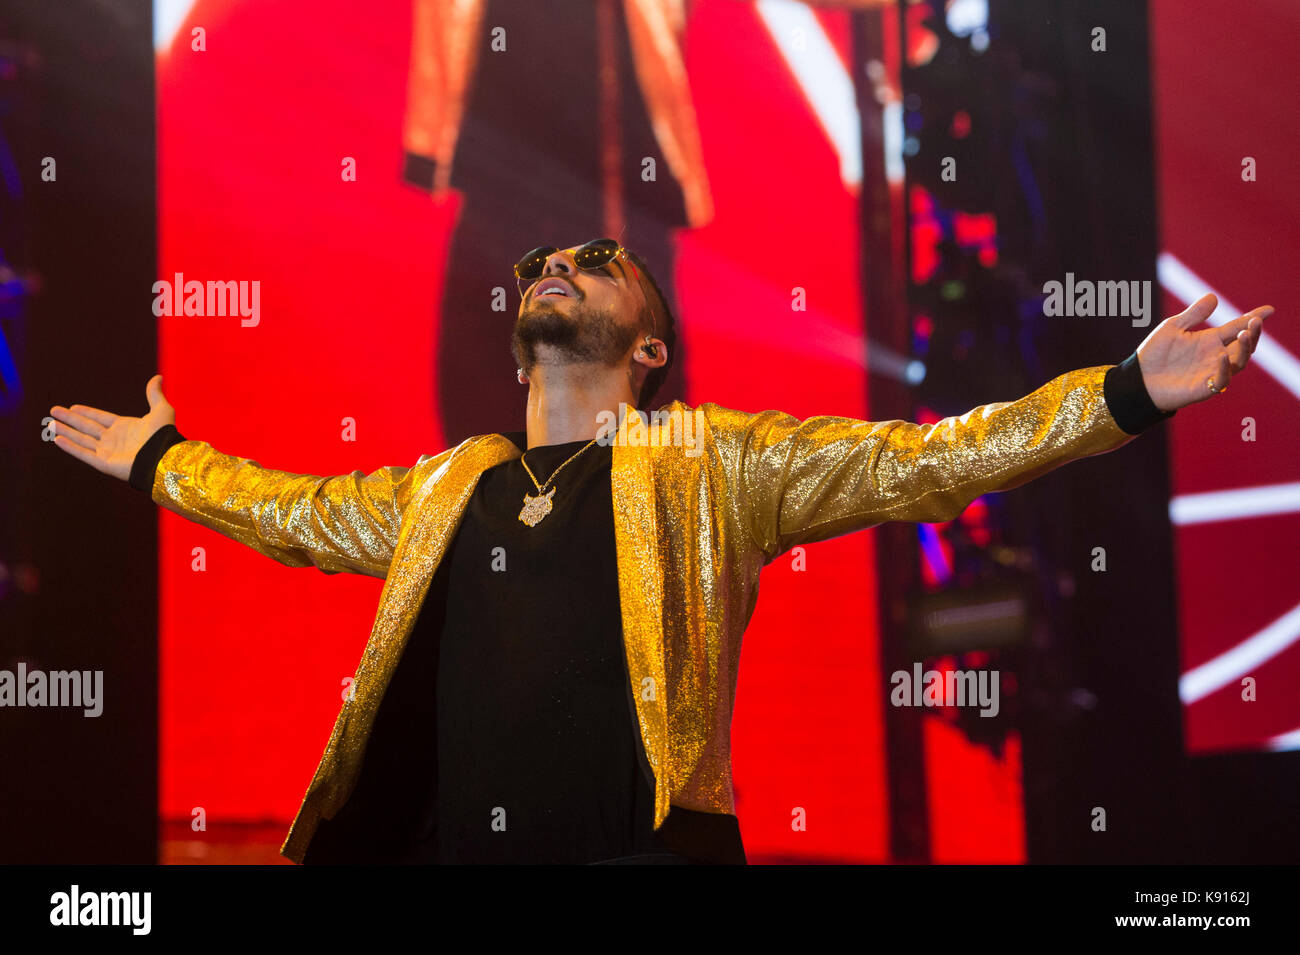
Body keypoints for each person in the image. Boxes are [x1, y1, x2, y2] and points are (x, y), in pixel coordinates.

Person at [48, 238, 1272, 864]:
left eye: (596, 261)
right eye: (543, 266)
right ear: (517, 347)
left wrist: (1124, 392)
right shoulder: (444, 486)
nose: (556, 266)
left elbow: (929, 459)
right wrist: (164, 463)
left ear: (650, 348)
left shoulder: (712, 461)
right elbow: (296, 512)